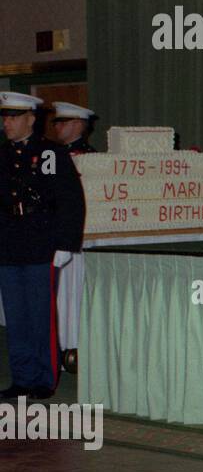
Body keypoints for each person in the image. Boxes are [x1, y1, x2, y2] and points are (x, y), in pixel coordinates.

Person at [0, 93, 85, 400]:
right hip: (9, 242)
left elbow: (70, 201)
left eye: (13, 117)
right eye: (4, 117)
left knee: (40, 315)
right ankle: (21, 377)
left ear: (31, 120)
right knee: (16, 316)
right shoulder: (3, 154)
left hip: (41, 242)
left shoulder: (50, 153)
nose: (6, 123)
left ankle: (44, 379)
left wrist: (65, 244)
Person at [50, 102, 96, 369]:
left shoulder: (87, 157)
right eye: (57, 122)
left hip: (76, 233)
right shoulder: (52, 155)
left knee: (72, 293)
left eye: (63, 122)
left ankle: (72, 346)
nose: (57, 126)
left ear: (79, 124)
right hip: (56, 232)